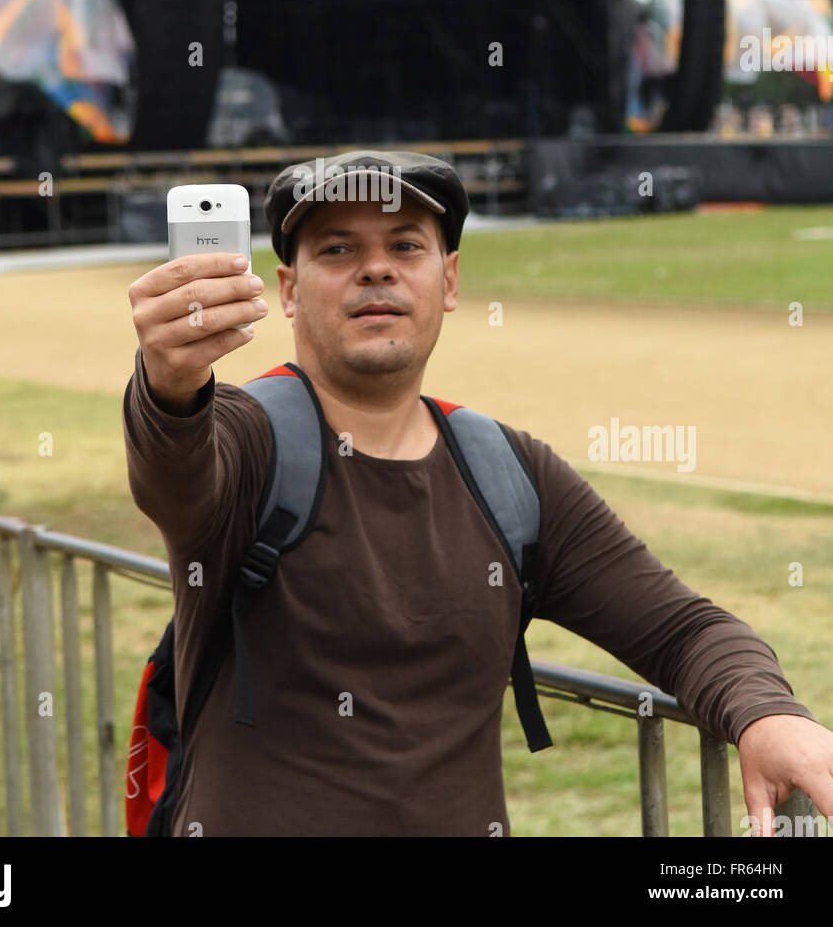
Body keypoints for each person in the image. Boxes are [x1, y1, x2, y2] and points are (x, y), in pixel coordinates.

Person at [123, 149, 833, 837]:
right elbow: (173, 468)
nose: (375, 268)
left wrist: (767, 715)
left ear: (450, 280)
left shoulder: (506, 471)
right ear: (285, 289)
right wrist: (169, 384)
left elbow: (681, 630)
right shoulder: (243, 438)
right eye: (337, 250)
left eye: (405, 245)